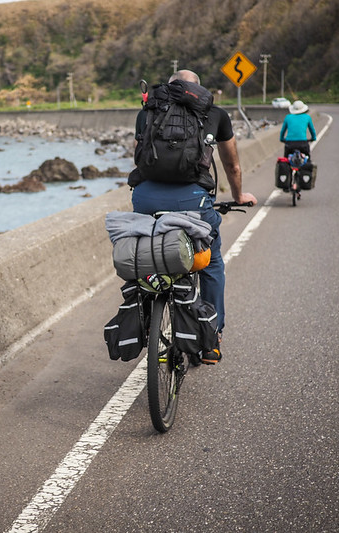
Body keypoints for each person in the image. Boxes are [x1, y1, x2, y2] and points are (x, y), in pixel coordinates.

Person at [130, 69, 257, 364]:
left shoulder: (147, 111)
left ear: (169, 87)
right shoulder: (216, 114)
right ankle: (211, 337)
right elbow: (232, 165)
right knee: (211, 260)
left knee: (147, 252)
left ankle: (149, 320)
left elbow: (139, 157)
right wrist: (238, 196)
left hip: (146, 197)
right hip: (193, 200)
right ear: (197, 90)